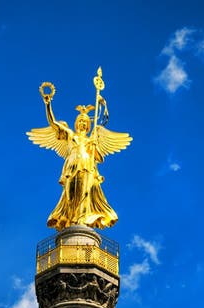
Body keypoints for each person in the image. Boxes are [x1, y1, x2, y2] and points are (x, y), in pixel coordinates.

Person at [28, 82, 132, 230]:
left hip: (88, 167)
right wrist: (48, 104)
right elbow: (53, 123)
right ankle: (70, 221)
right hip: (72, 166)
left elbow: (98, 157)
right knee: (70, 197)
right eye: (80, 121)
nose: (82, 123)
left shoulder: (92, 140)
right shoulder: (69, 135)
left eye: (84, 121)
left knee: (85, 194)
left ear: (88, 125)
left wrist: (94, 145)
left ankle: (82, 221)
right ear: (76, 123)